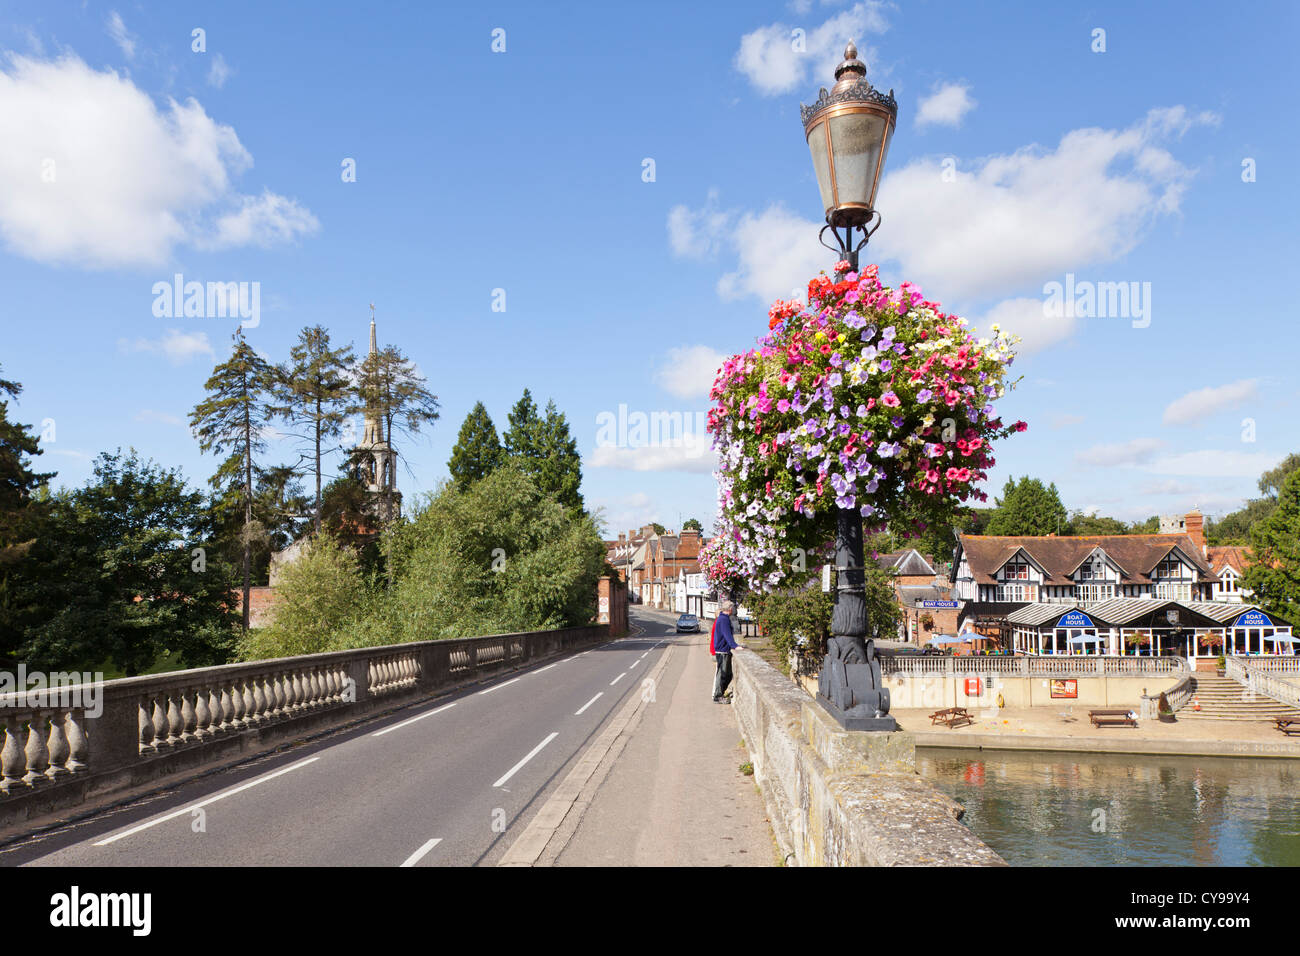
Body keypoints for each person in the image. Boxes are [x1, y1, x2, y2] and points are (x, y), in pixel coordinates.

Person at [712, 600, 740, 703]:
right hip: (722, 650)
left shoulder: (722, 618)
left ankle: (720, 693)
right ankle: (718, 695)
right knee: (723, 674)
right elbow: (727, 634)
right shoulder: (724, 619)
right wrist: (734, 646)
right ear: (730, 609)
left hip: (722, 649)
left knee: (727, 674)